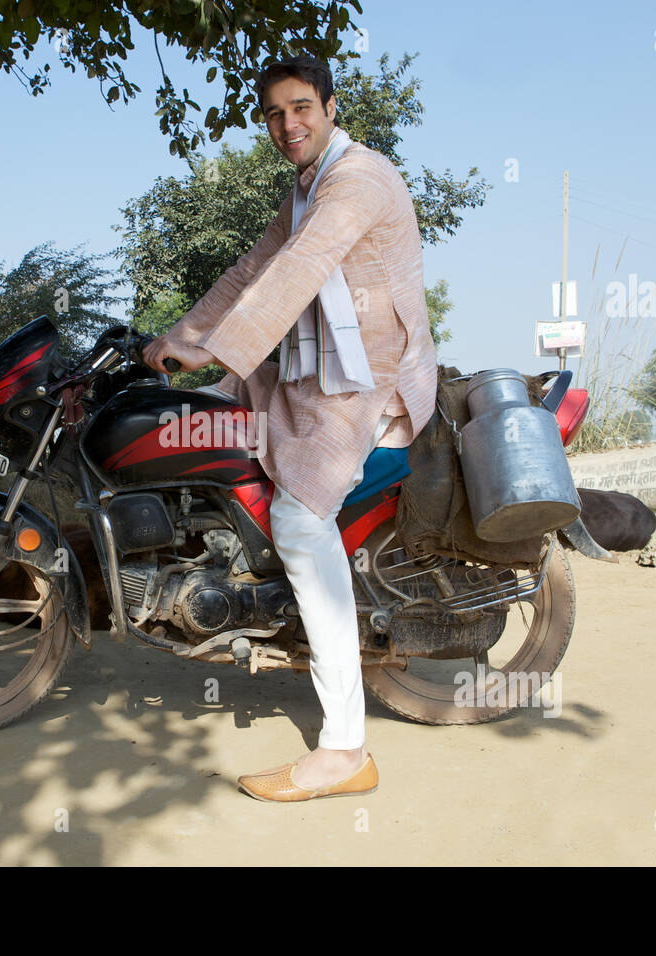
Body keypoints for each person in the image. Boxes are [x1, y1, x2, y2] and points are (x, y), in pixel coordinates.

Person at [143, 54, 438, 801]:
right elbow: (252, 270)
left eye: (301, 107)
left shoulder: (356, 179)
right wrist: (176, 336)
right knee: (201, 423)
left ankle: (344, 751)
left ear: (331, 109)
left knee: (301, 524)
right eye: (274, 114)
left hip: (366, 384)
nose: (288, 125)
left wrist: (213, 345)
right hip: (316, 373)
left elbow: (300, 269)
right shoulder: (304, 190)